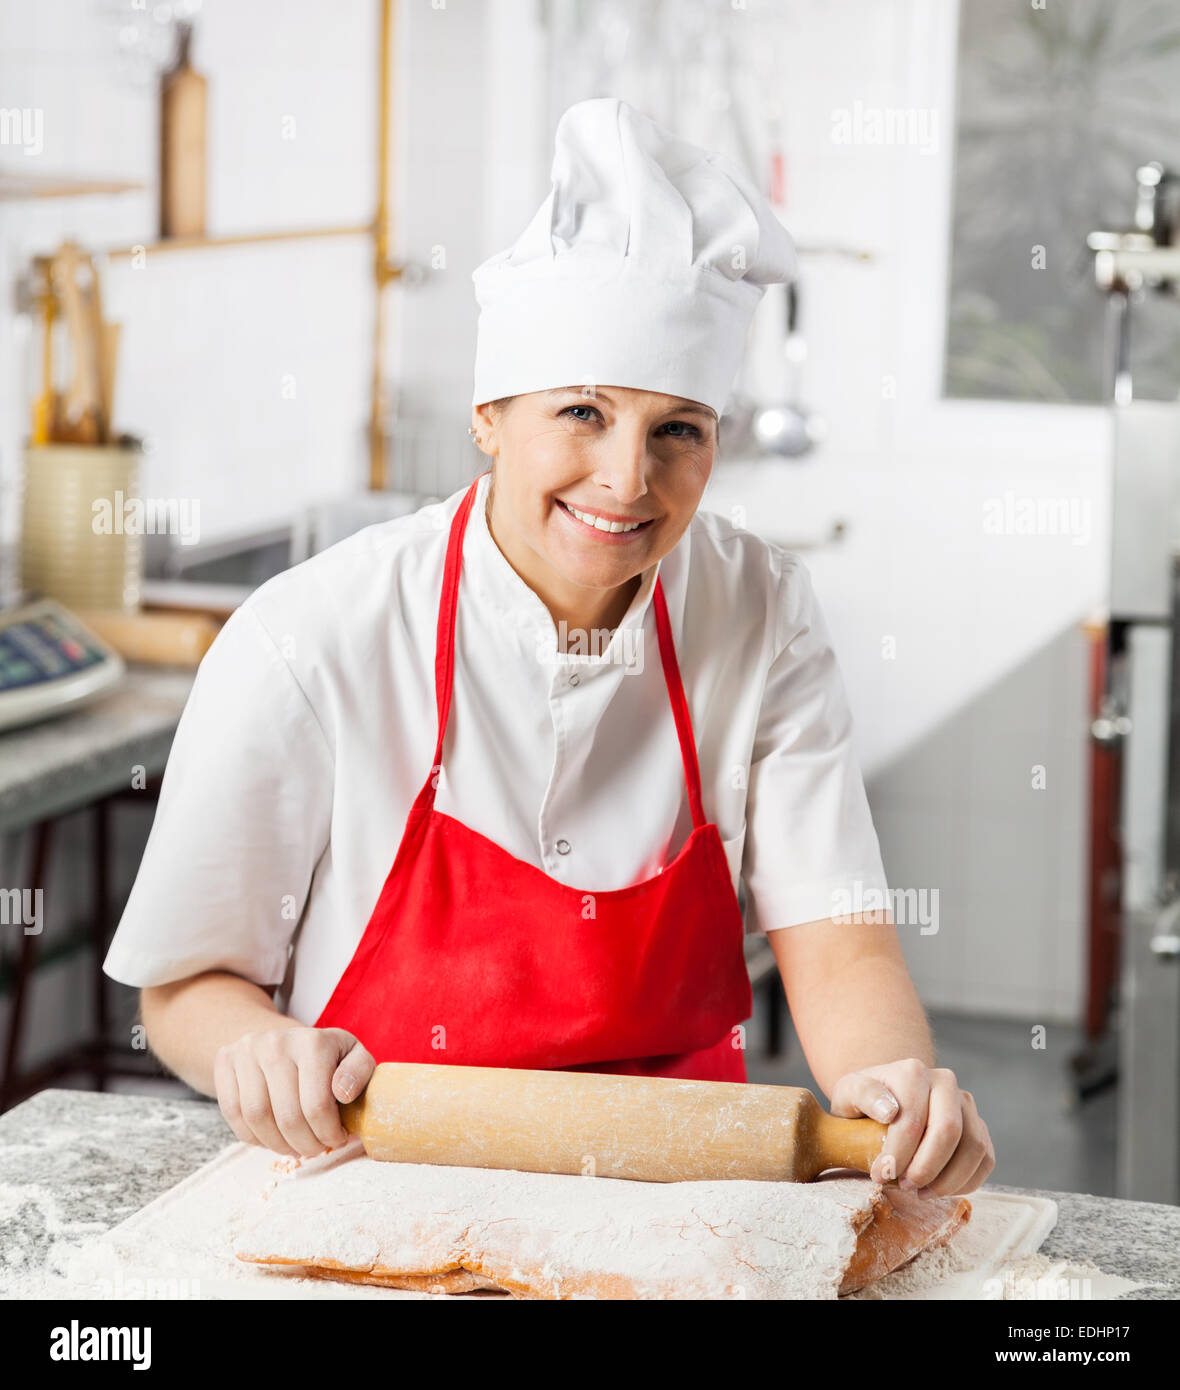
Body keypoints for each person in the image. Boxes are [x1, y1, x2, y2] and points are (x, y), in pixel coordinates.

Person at [105, 98, 993, 1198]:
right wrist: (258, 1046)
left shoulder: (758, 608)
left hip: (682, 1205)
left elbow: (838, 936)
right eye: (581, 411)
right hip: (376, 1190)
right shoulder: (312, 635)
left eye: (678, 429)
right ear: (488, 414)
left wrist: (896, 1089)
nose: (627, 480)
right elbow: (183, 988)